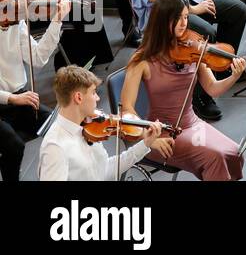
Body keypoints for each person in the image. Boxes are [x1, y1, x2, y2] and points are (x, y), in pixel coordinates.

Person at [120, 0, 246, 180]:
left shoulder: (193, 49)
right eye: (177, 18)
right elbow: (127, 109)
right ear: (161, 21)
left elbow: (212, 88)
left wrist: (234, 76)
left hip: (192, 124)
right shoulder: (141, 60)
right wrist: (149, 137)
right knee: (215, 158)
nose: (183, 23)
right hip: (163, 135)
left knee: (235, 153)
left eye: (186, 17)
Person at [38, 65, 174, 181]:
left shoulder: (91, 127)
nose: (97, 98)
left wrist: (145, 144)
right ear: (78, 97)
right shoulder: (55, 147)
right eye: (93, 93)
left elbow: (104, 170)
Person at [0, 0, 68, 182]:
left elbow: (38, 58)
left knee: (59, 125)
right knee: (14, 145)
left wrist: (56, 21)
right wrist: (12, 98)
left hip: (20, 96)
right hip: (11, 98)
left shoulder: (14, 20)